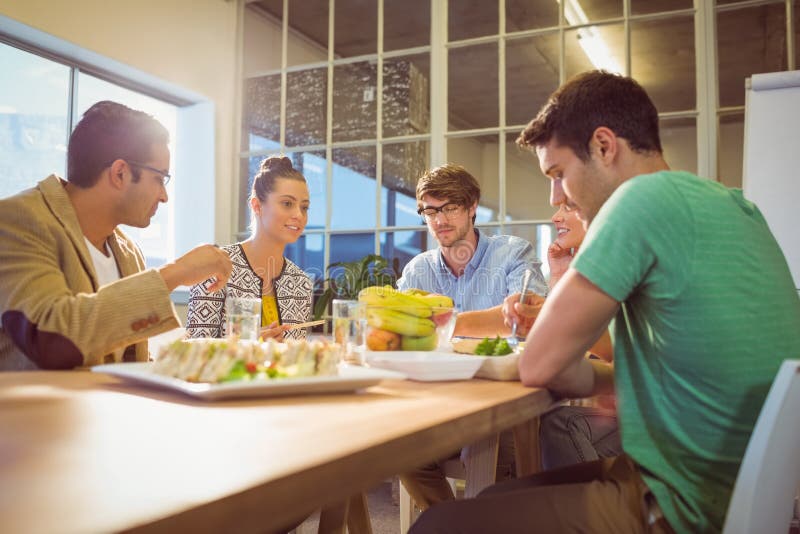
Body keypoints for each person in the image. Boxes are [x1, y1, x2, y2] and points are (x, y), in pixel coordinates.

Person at [410, 70, 800, 533]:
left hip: (676, 506)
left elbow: (538, 366)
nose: (558, 196)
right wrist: (609, 376)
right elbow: (586, 364)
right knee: (494, 497)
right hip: (728, 490)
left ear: (604, 146)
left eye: (558, 174)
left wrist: (565, 348)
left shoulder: (638, 201)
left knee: (437, 526)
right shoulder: (736, 205)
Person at [0, 101, 232, 371]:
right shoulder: (17, 220)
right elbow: (52, 338)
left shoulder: (128, 251)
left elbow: (129, 364)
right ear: (120, 173)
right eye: (159, 179)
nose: (164, 196)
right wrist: (174, 274)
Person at [395, 163, 546, 511]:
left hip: (505, 404)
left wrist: (443, 321)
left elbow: (526, 319)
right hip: (440, 404)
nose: (440, 220)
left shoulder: (512, 254)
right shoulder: (419, 270)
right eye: (430, 211)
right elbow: (400, 328)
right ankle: (452, 523)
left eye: (450, 208)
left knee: (500, 466)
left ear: (472, 205)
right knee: (399, 450)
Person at [186, 156, 313, 340]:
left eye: (304, 207)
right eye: (287, 204)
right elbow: (194, 352)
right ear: (256, 205)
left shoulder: (301, 284)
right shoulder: (214, 267)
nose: (298, 215)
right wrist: (247, 344)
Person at [538, 203, 621, 471]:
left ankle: (592, 508)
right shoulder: (593, 270)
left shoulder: (619, 265)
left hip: (652, 421)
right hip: (621, 413)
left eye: (569, 206)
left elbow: (607, 348)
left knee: (559, 424)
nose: (555, 217)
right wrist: (560, 277)